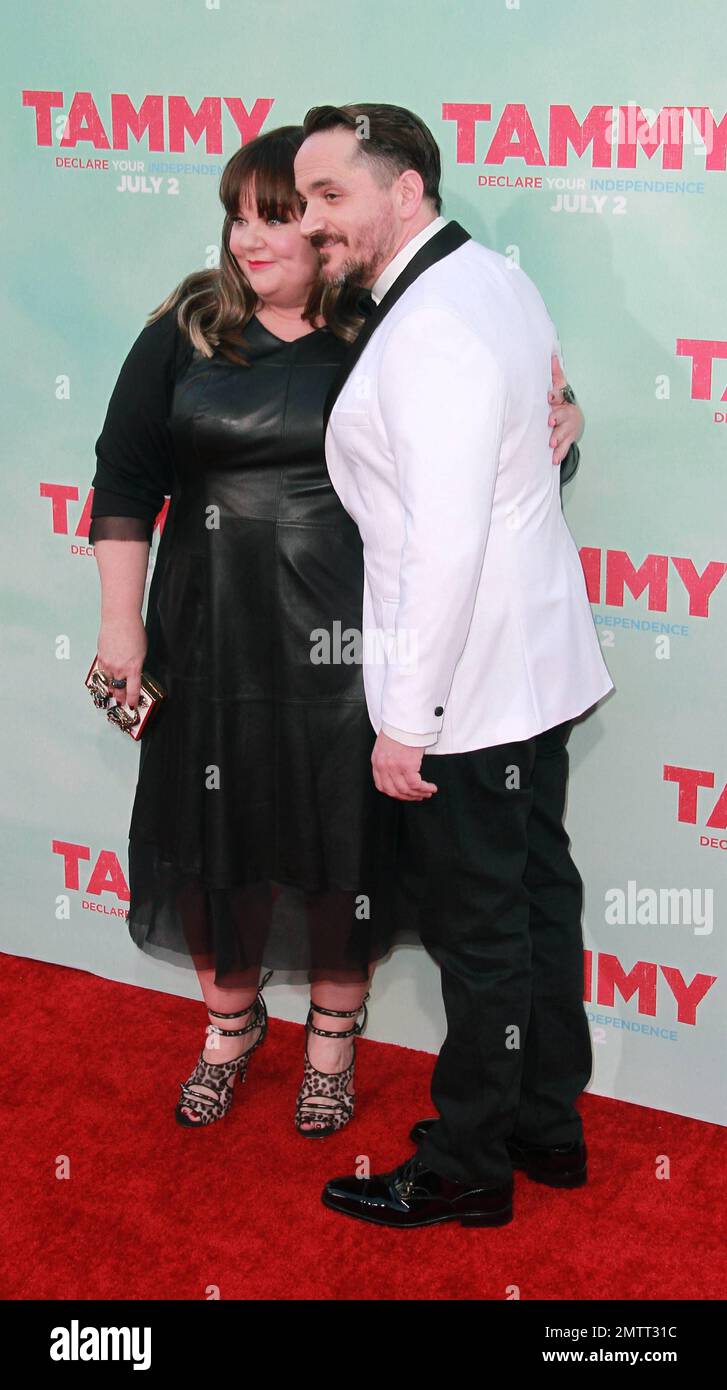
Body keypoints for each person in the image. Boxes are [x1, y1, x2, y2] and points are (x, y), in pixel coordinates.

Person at [88, 123, 585, 1139]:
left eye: (284, 213)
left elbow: (488, 449)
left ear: (331, 227)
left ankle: (332, 1042)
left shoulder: (386, 326)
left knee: (338, 844)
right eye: (242, 215)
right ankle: (230, 1029)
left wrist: (566, 423)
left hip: (348, 645)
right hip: (207, 633)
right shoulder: (178, 333)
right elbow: (124, 486)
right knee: (204, 834)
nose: (256, 236)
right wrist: (119, 630)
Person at [292, 103, 614, 1227]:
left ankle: (469, 1162)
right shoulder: (495, 281)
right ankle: (544, 1127)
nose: (312, 219)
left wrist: (409, 716)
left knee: (482, 927)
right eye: (304, 199)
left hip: (469, 684)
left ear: (407, 192)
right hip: (530, 667)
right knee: (533, 896)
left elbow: (444, 540)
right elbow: (532, 447)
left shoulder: (431, 320)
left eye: (333, 195)